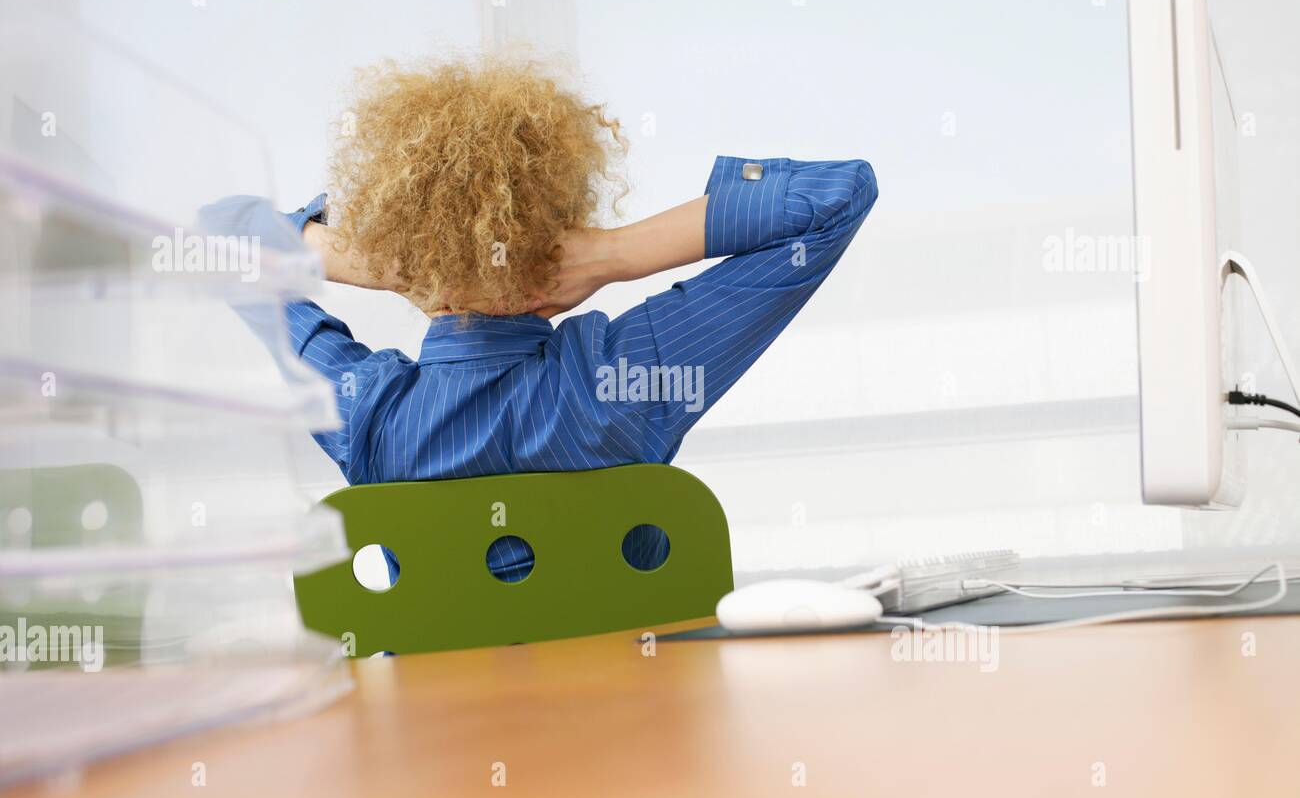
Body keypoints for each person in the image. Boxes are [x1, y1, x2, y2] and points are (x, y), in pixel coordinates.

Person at [217, 57, 878, 582]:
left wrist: (373, 261)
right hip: (634, 732)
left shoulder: (366, 412)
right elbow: (836, 197)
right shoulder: (625, 379)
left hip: (435, 743)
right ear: (561, 227)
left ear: (408, 245)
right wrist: (617, 252)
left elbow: (222, 237)